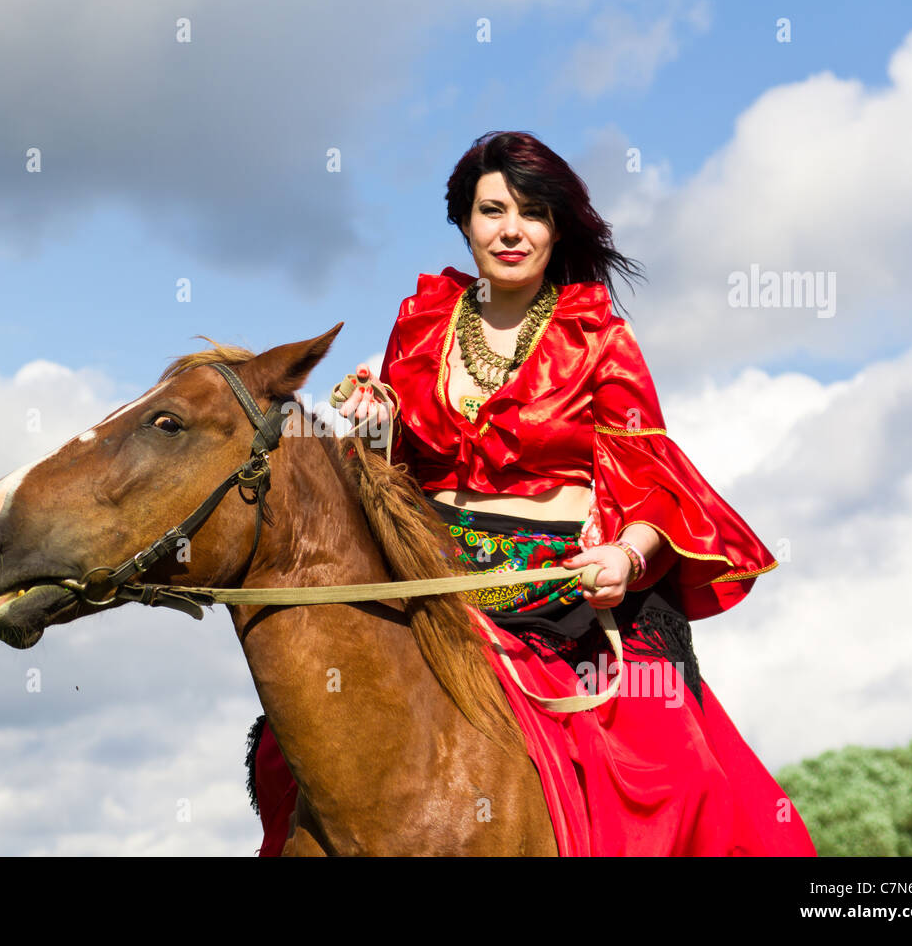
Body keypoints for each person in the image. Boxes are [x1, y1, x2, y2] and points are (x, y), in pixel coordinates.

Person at [251, 131, 818, 856]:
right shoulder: (422, 321)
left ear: (558, 227)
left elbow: (653, 482)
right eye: (492, 210)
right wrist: (379, 426)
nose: (511, 230)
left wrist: (627, 557)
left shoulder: (599, 338)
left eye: (533, 212)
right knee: (291, 740)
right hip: (433, 583)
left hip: (566, 593)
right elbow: (397, 475)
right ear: (463, 221)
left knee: (679, 769)